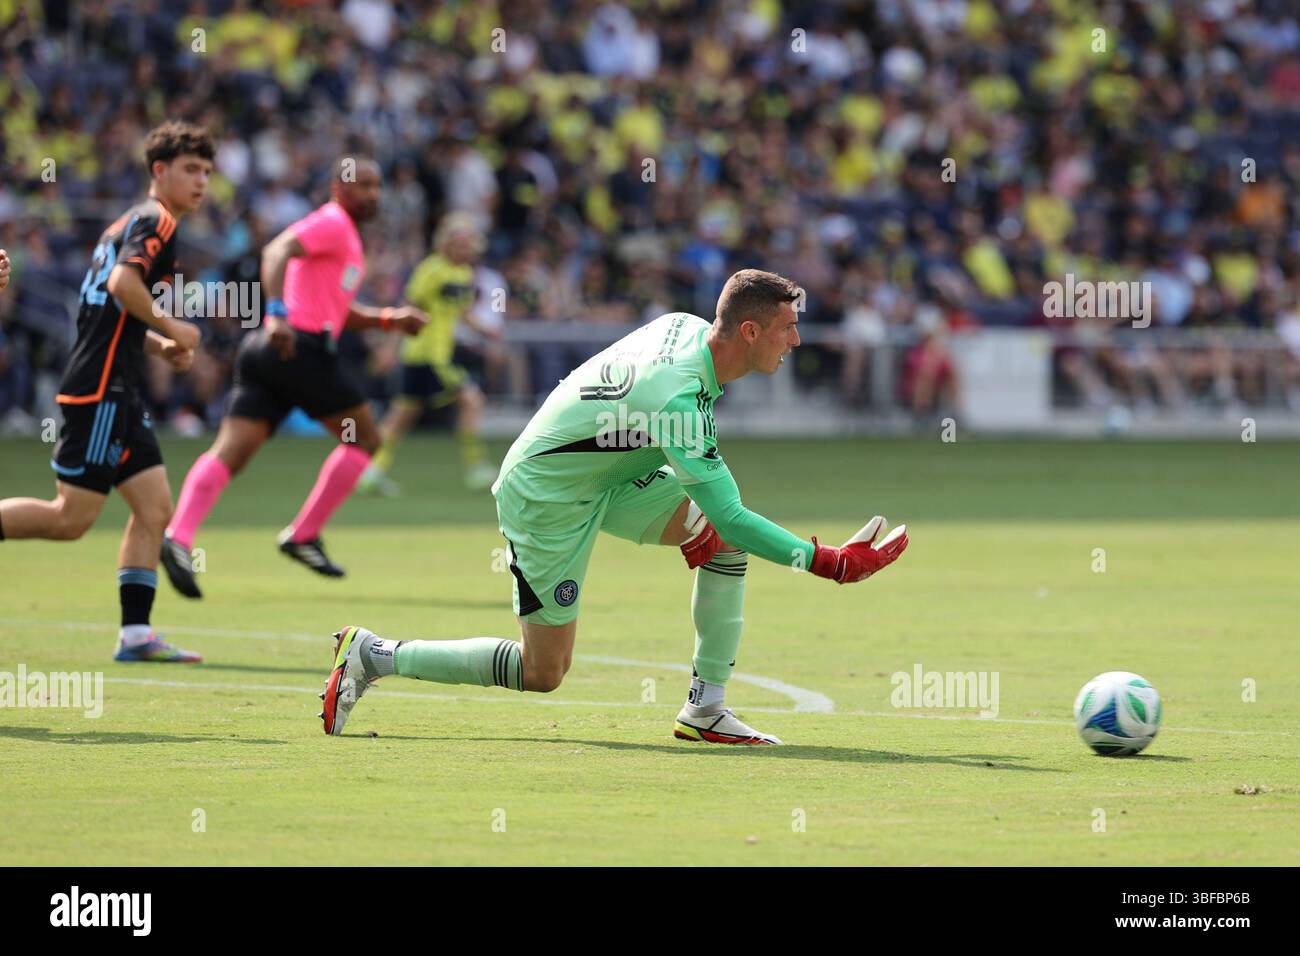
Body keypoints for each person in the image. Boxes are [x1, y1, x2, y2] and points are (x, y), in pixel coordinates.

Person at [320, 269, 909, 743]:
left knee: (722, 545)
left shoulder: (683, 328)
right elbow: (727, 509)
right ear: (750, 332)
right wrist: (827, 560)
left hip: (611, 474)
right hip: (548, 494)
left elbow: (608, 391)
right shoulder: (678, 397)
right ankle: (373, 655)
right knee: (542, 672)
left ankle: (705, 709)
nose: (797, 340)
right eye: (788, 328)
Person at [160, 158, 427, 597]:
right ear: (337, 187)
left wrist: (387, 320)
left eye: (377, 186)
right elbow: (275, 250)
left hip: (268, 354)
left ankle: (179, 537)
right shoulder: (333, 222)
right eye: (363, 185)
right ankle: (303, 535)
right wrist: (277, 314)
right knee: (366, 440)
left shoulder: (345, 237)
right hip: (298, 347)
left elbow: (337, 311)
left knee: (231, 454)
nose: (373, 194)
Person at [0, 122, 211, 662]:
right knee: (69, 519)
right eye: (191, 169)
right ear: (158, 171)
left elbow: (110, 312)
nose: (202, 181)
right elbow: (121, 286)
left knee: (155, 507)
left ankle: (136, 636)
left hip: (119, 388)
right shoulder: (156, 220)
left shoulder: (127, 223)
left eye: (207, 171)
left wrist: (160, 347)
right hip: (99, 390)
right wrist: (175, 327)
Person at [359, 212, 498, 495]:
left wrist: (486, 330)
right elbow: (407, 308)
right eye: (459, 243)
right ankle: (475, 469)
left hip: (432, 356)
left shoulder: (464, 274)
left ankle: (370, 473)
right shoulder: (431, 269)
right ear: (445, 243)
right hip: (428, 355)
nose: (464, 249)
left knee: (400, 417)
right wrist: (389, 348)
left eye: (468, 244)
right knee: (471, 400)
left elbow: (463, 313)